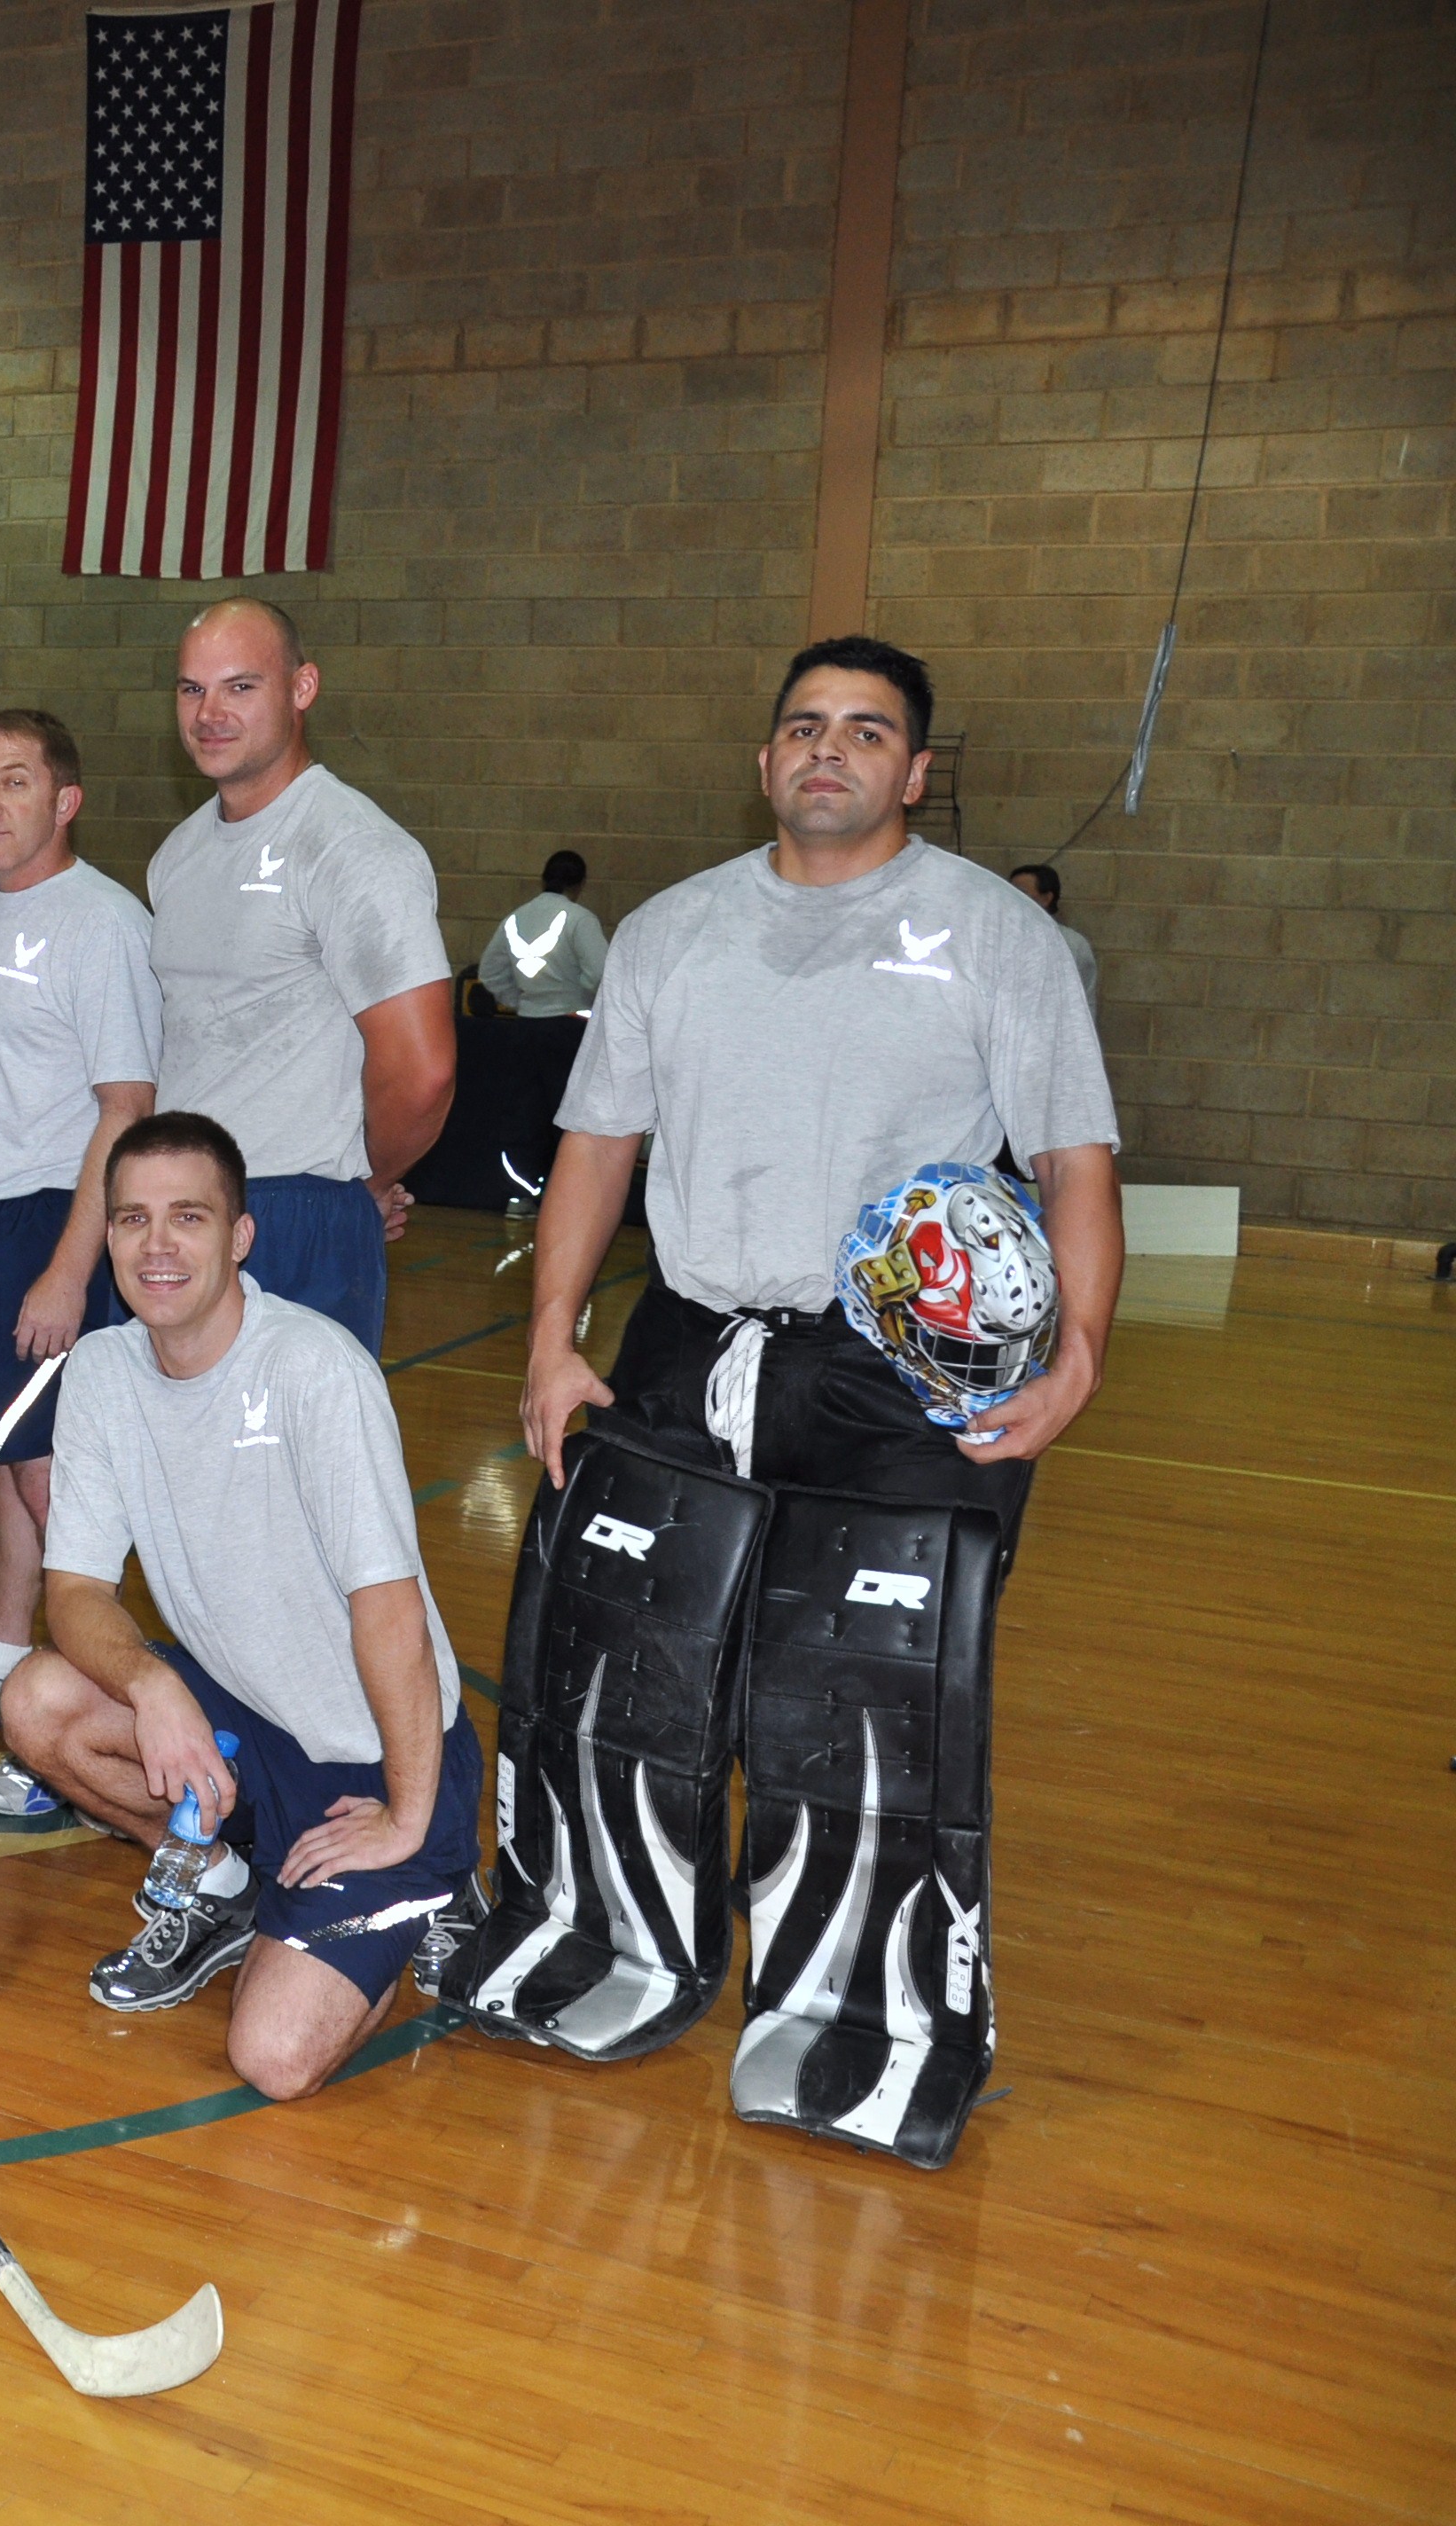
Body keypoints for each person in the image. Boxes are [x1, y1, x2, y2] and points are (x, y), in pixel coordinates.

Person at [478, 637, 1117, 2166]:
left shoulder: (991, 938)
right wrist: (550, 1336)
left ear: (911, 770)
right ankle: (613, 1936)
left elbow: (1073, 1158)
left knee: (856, 1702)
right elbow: (595, 1144)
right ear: (763, 760)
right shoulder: (671, 931)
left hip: (894, 1373)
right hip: (690, 1337)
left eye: (864, 731)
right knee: (626, 1665)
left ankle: (863, 2011)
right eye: (799, 727)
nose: (825, 750)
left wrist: (1077, 1352)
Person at [0, 1113, 485, 2102]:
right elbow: (76, 1590)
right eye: (131, 1219)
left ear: (239, 1237)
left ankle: (428, 1883)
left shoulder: (312, 1367)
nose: (157, 1246)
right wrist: (153, 1686)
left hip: (371, 1759)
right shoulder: (99, 1371)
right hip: (244, 1717)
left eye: (188, 1217)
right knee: (38, 1702)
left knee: (272, 2058)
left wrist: (405, 1811)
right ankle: (223, 1890)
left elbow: (387, 1609)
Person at [0, 711, 159, 1801]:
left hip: (43, 1225)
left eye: (13, 784)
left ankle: (82, 1714)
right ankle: (10, 1658)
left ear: (64, 800)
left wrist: (70, 1270)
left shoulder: (101, 922)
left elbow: (124, 1109)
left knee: (48, 1472)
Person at [147, 600, 455, 1353]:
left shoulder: (351, 848)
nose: (210, 713)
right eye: (192, 690)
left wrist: (359, 1187)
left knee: (286, 1469)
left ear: (303, 688)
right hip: (182, 1214)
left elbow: (422, 1072)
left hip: (296, 1214)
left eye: (240, 687)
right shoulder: (176, 857)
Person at [476, 850, 609, 1019]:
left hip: (527, 1020)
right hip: (571, 1020)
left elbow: (490, 973)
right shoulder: (581, 919)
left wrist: (521, 1003)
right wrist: (581, 1000)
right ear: (581, 884)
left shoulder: (514, 919)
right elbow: (600, 973)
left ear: (543, 879)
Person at [1007, 861, 1099, 1018]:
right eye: (1009, 892)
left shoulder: (1072, 944)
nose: (1013, 899)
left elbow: (1084, 1004)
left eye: (1022, 893)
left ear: (1046, 898)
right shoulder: (999, 939)